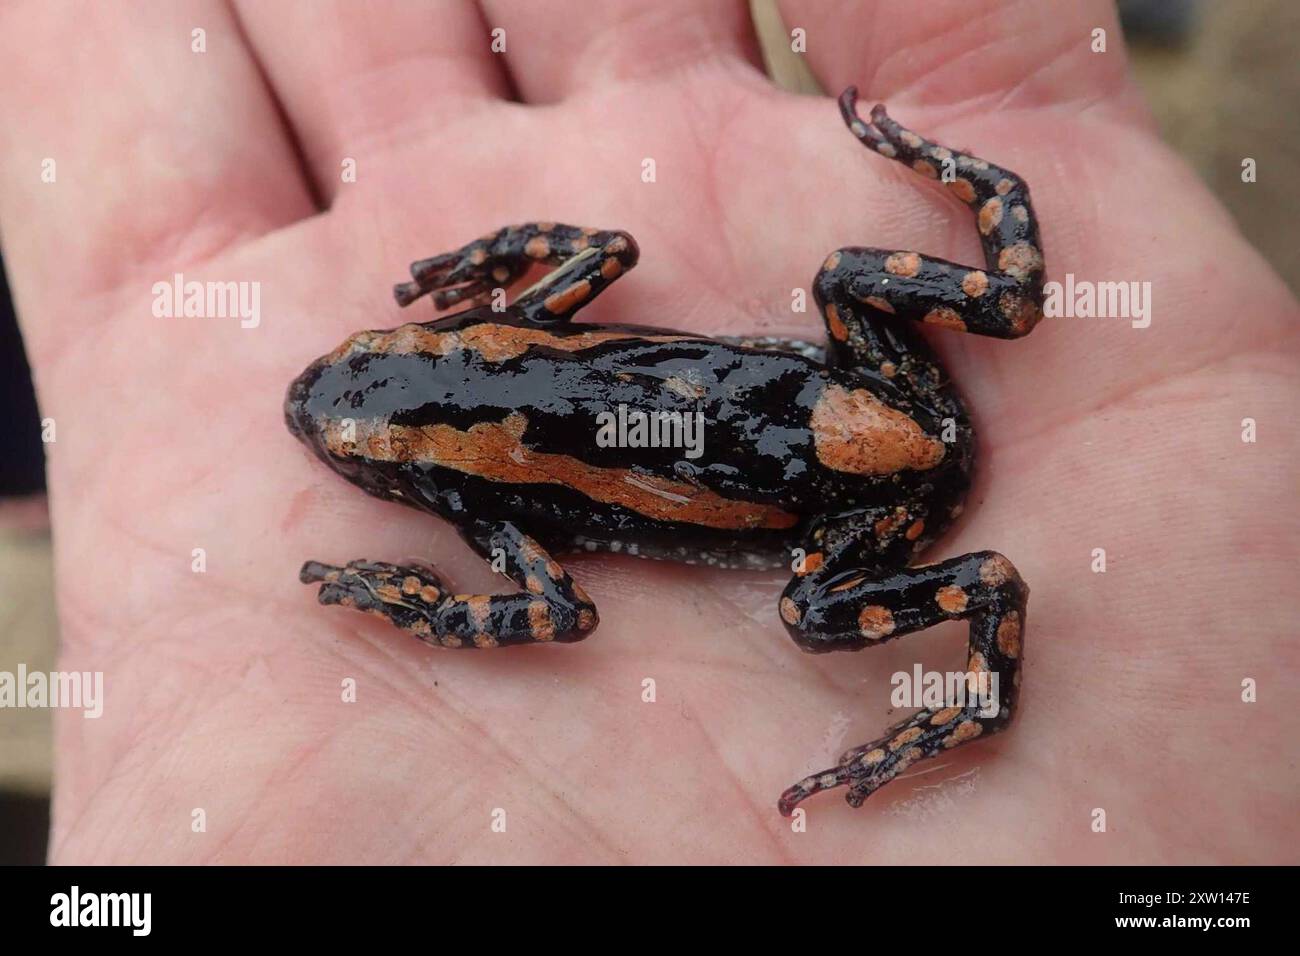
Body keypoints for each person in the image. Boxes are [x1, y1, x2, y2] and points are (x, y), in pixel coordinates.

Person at [1, 0, 1295, 863]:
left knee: (808, 600)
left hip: (875, 497)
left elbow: (556, 613)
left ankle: (980, 681)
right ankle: (988, 241)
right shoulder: (536, 342)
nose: (334, 398)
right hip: (868, 431)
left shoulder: (495, 509)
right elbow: (599, 248)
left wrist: (413, 602)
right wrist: (495, 268)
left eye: (382, 368)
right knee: (851, 292)